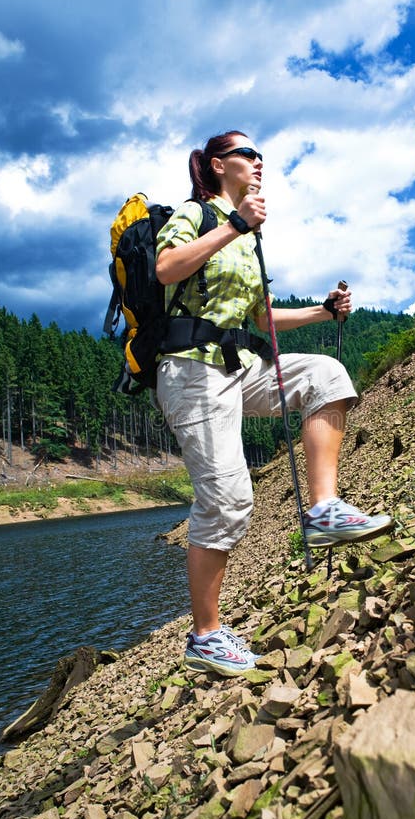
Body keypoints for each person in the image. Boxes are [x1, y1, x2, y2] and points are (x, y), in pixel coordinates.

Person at [155, 129, 392, 676]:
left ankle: (322, 510)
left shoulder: (245, 236)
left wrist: (322, 312)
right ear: (219, 165)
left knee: (326, 375)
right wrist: (235, 224)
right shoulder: (197, 217)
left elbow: (262, 319)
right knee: (229, 500)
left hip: (238, 365)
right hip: (192, 369)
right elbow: (166, 269)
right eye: (248, 154)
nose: (260, 162)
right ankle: (205, 637)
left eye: (261, 156)